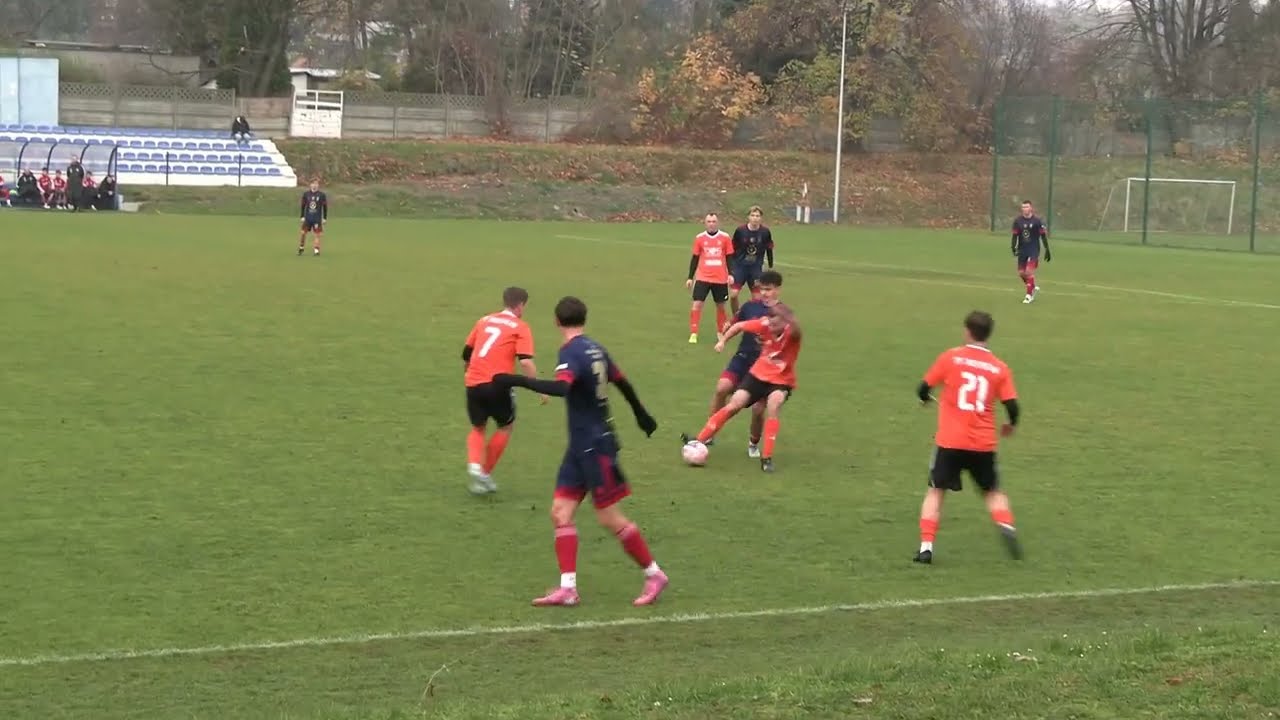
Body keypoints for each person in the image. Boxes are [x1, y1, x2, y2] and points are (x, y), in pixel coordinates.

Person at [492, 296, 665, 607]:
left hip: (595, 445)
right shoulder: (596, 348)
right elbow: (622, 381)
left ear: (557, 321)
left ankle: (654, 574)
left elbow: (562, 388)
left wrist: (516, 380)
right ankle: (568, 589)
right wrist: (642, 414)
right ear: (583, 319)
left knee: (609, 517)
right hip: (581, 445)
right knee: (561, 512)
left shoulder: (570, 351)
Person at [913, 310, 1023, 564]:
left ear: (967, 332)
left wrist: (926, 399)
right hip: (983, 444)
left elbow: (922, 388)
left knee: (936, 491)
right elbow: (1013, 407)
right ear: (988, 335)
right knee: (992, 491)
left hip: (950, 441)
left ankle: (926, 547)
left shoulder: (951, 358)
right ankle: (1006, 524)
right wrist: (1010, 424)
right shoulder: (999, 367)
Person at [683, 275, 800, 473]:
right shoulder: (763, 322)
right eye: (770, 319)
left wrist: (787, 323)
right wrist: (722, 341)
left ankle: (766, 457)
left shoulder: (792, 331)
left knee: (772, 404)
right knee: (734, 403)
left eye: (775, 319)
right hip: (758, 373)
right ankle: (700, 440)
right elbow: (738, 325)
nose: (770, 323)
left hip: (781, 379)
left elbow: (796, 331)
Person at [460, 287, 543, 495]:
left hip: (473, 381)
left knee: (478, 427)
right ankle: (484, 473)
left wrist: (469, 373)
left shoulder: (484, 320)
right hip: (498, 385)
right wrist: (540, 389)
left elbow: (467, 353)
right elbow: (525, 362)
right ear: (521, 305)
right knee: (506, 426)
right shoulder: (520, 327)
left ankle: (474, 464)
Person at [705, 273, 775, 456]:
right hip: (743, 358)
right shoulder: (750, 306)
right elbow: (736, 324)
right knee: (722, 388)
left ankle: (753, 443)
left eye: (768, 289)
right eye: (762, 289)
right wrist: (725, 334)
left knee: (758, 410)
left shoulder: (780, 313)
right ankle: (709, 431)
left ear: (776, 290)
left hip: (764, 366)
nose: (764, 293)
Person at [685, 212, 735, 344]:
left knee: (721, 306)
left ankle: (720, 332)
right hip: (703, 277)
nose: (711, 224)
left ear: (717, 223)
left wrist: (731, 274)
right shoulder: (699, 238)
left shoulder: (725, 237)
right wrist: (690, 277)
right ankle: (694, 333)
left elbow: (729, 257)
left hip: (720, 278)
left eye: (713, 221)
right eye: (709, 222)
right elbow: (695, 258)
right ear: (705, 223)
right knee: (697, 304)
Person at [729, 206, 774, 315]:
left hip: (755, 268)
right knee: (733, 295)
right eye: (753, 215)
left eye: (757, 216)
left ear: (761, 218)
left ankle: (754, 319)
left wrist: (770, 264)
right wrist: (730, 266)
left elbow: (769, 248)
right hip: (740, 267)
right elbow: (732, 249)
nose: (755, 218)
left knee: (757, 298)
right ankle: (737, 317)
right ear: (748, 217)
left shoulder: (765, 232)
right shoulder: (740, 231)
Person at [1012, 200, 1052, 304]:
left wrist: (1047, 249)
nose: (1025, 209)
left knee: (1028, 271)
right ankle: (1032, 287)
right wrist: (1013, 247)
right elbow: (1015, 235)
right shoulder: (1018, 221)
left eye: (1027, 207)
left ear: (1031, 208)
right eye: (1023, 207)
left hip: (1033, 250)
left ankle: (1028, 296)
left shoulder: (1037, 221)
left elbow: (1043, 236)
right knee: (1021, 273)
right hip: (1022, 250)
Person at [298, 180, 328, 256]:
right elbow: (303, 205)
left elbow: (325, 207)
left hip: (317, 218)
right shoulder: (306, 194)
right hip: (308, 218)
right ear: (310, 185)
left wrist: (324, 218)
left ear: (318, 185)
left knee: (317, 234)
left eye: (316, 184)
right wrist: (302, 216)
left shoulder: (322, 195)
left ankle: (316, 250)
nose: (314, 185)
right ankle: (301, 247)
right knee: (303, 233)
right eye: (313, 184)